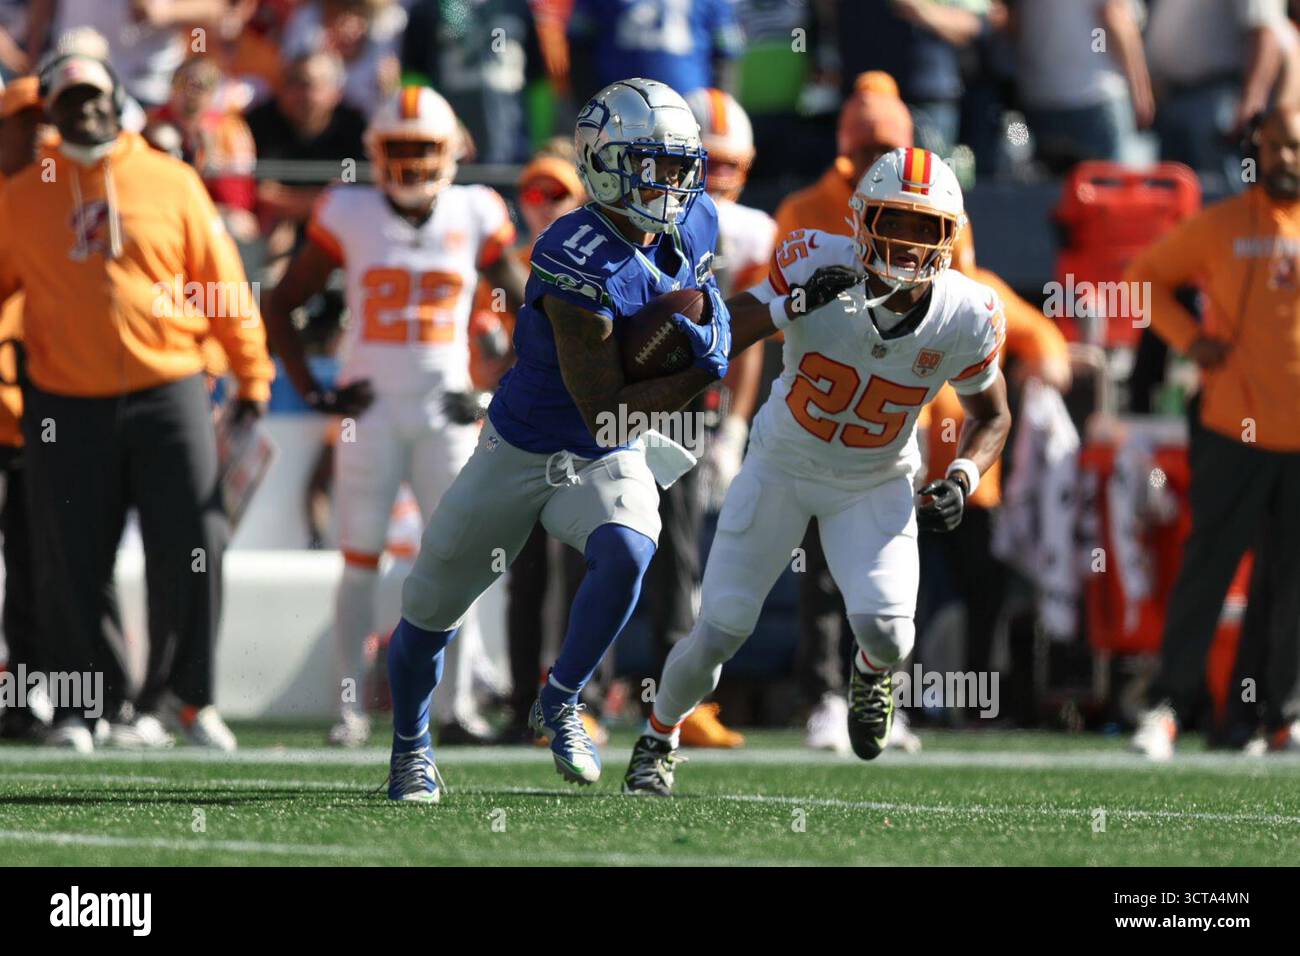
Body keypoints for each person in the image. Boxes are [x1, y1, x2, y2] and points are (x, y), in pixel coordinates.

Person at [381, 77, 789, 802]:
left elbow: (703, 320)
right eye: (651, 165)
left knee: (630, 548)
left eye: (678, 164)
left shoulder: (695, 222)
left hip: (601, 456)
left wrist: (781, 306)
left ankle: (562, 695)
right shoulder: (571, 254)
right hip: (527, 445)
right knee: (429, 607)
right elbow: (607, 409)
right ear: (603, 163)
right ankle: (411, 747)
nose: (671, 182)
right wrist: (703, 370)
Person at [624, 147, 1012, 795]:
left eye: (926, 228)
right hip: (781, 464)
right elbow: (720, 333)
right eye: (896, 221)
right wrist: (790, 305)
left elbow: (992, 416)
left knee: (890, 635)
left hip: (876, 479)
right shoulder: (814, 258)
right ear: (861, 218)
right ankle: (658, 735)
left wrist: (966, 477)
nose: (909, 243)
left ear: (951, 237)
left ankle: (868, 674)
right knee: (720, 629)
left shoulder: (969, 314)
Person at [0, 52, 275, 752]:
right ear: (52, 114)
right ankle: (82, 708)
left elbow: (225, 286)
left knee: (193, 544)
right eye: (68, 101)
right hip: (65, 398)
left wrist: (252, 375)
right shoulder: (22, 196)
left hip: (170, 386)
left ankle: (183, 699)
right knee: (68, 557)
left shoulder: (171, 179)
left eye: (94, 96)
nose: (84, 110)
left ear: (117, 99)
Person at [263, 85, 524, 748]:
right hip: (369, 410)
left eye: (422, 149)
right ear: (375, 153)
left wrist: (495, 392)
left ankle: (455, 707)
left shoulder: (476, 209)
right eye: (398, 149)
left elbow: (531, 313)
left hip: (447, 409)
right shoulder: (348, 208)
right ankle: (347, 710)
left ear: (449, 152)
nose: (409, 163)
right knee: (359, 560)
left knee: (459, 560)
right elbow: (281, 301)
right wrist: (314, 392)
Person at [1128, 102, 1300, 759]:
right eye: (1276, 146)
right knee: (1207, 573)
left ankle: (1276, 717)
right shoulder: (1221, 226)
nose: (1286, 159)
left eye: (1296, 146)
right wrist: (1190, 340)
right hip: (1235, 430)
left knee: (1292, 584)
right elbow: (1142, 279)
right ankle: (1167, 708)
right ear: (1256, 148)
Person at [0, 75, 49, 739]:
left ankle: (34, 692)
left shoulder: (68, 198)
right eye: (25, 122)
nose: (40, 135)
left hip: (49, 405)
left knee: (44, 563)